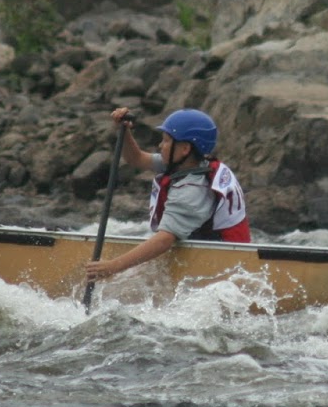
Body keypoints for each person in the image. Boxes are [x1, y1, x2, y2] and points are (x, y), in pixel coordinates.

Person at [83, 107, 250, 283]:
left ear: (185, 148)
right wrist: (124, 131)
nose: (160, 145)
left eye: (166, 140)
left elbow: (164, 240)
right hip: (212, 257)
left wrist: (113, 267)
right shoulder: (187, 164)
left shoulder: (193, 189)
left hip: (222, 267)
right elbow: (136, 158)